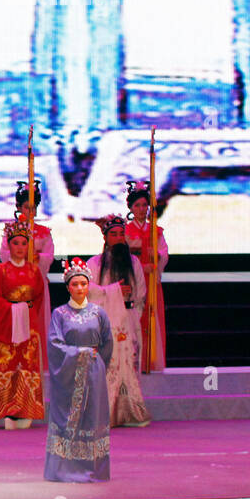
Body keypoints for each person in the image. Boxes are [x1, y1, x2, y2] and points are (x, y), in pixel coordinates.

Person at [45, 258, 114, 483]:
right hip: (68, 374)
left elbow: (107, 343)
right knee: (66, 419)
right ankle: (64, 469)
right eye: (75, 284)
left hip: (93, 372)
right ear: (68, 287)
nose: (80, 288)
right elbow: (54, 345)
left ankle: (93, 468)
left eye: (83, 284)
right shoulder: (59, 314)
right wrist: (81, 354)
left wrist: (96, 364)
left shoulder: (98, 313)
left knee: (93, 416)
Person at [0, 218, 48, 429]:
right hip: (6, 325)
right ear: (8, 245)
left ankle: (25, 408)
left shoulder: (34, 271)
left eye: (23, 243)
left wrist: (27, 314)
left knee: (26, 366)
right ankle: (6, 409)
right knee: (7, 365)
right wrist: (14, 310)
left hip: (28, 326)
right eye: (15, 243)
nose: (20, 248)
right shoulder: (0, 270)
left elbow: (38, 298)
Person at [87, 215, 151, 427]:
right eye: (113, 234)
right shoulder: (95, 263)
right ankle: (108, 412)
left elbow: (141, 293)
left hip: (130, 318)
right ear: (105, 237)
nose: (118, 238)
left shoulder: (134, 263)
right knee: (109, 366)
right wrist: (113, 292)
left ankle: (129, 410)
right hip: (107, 321)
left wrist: (131, 314)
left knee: (130, 364)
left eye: (121, 234)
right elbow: (87, 291)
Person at [125, 180, 169, 372]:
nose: (141, 209)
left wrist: (157, 257)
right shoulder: (125, 231)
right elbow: (122, 258)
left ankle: (151, 360)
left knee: (152, 318)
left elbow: (164, 253)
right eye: (137, 205)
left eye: (144, 205)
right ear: (131, 208)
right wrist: (141, 266)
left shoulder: (156, 231)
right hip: (134, 283)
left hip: (151, 281)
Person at [0, 179, 54, 280]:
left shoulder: (44, 232)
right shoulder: (11, 230)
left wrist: (37, 257)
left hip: (37, 277)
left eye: (34, 208)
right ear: (18, 207)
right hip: (15, 278)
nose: (31, 211)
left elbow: (49, 256)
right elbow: (4, 254)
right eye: (27, 207)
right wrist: (19, 256)